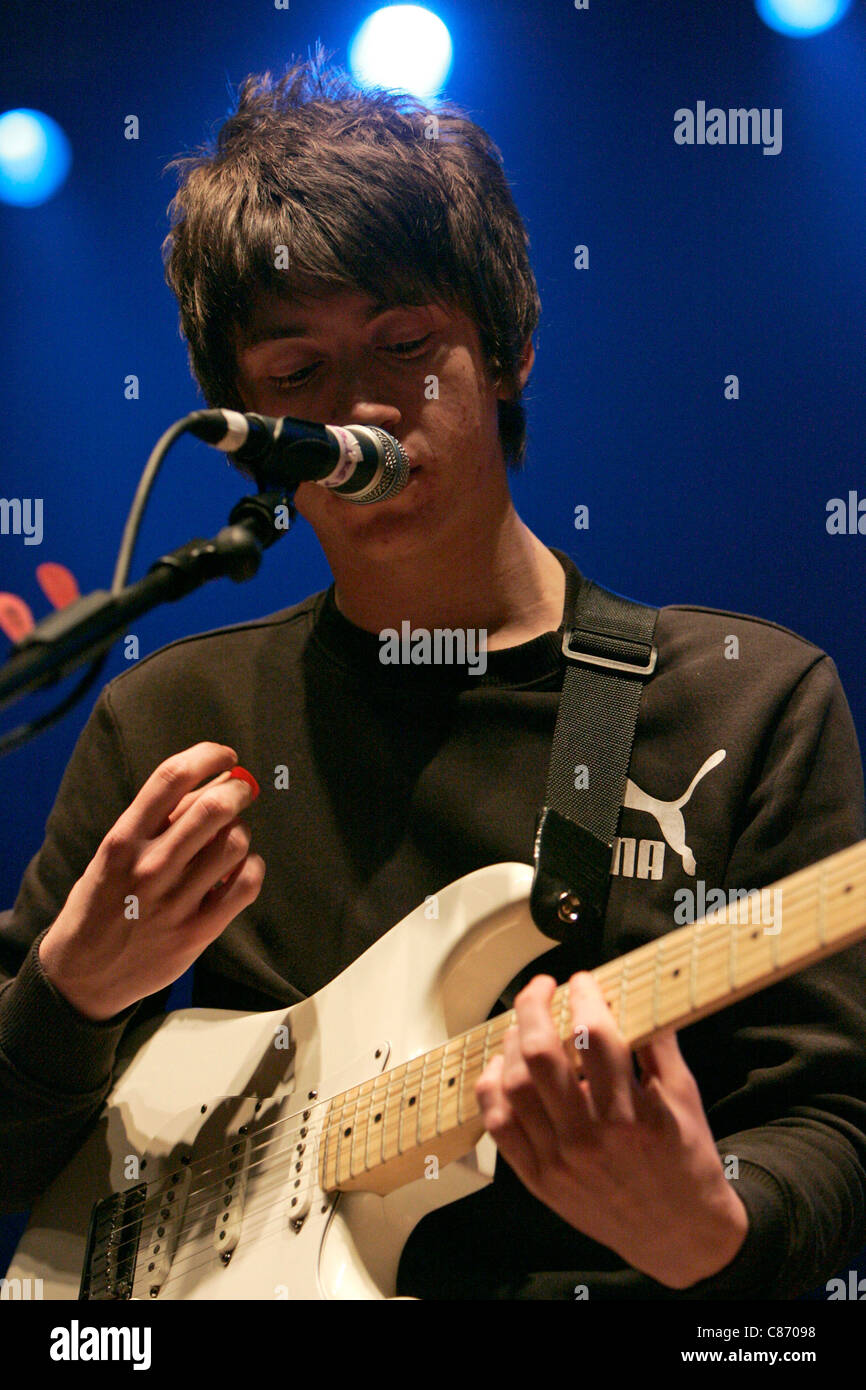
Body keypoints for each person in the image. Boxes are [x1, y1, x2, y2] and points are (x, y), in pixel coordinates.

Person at [1, 52, 865, 1301]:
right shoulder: (177, 717)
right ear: (245, 424)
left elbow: (832, 1119)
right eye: (295, 378)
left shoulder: (746, 700)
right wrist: (70, 999)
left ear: (506, 347)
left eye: (404, 347)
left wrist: (714, 1227)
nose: (358, 413)